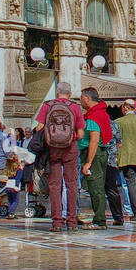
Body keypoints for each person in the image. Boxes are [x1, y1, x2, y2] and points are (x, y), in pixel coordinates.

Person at [34, 82, 86, 233]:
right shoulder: (75, 107)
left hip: (52, 149)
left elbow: (39, 127)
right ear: (69, 94)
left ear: (57, 93)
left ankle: (57, 222)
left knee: (54, 185)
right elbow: (81, 133)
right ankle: (72, 222)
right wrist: (71, 137)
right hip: (70, 148)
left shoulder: (47, 105)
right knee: (71, 185)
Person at [78, 88, 109, 229]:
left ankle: (99, 221)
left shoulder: (94, 115)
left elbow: (94, 140)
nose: (80, 101)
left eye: (81, 97)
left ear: (87, 98)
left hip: (94, 155)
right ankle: (99, 218)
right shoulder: (101, 112)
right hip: (99, 153)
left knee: (96, 187)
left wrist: (88, 162)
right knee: (97, 187)